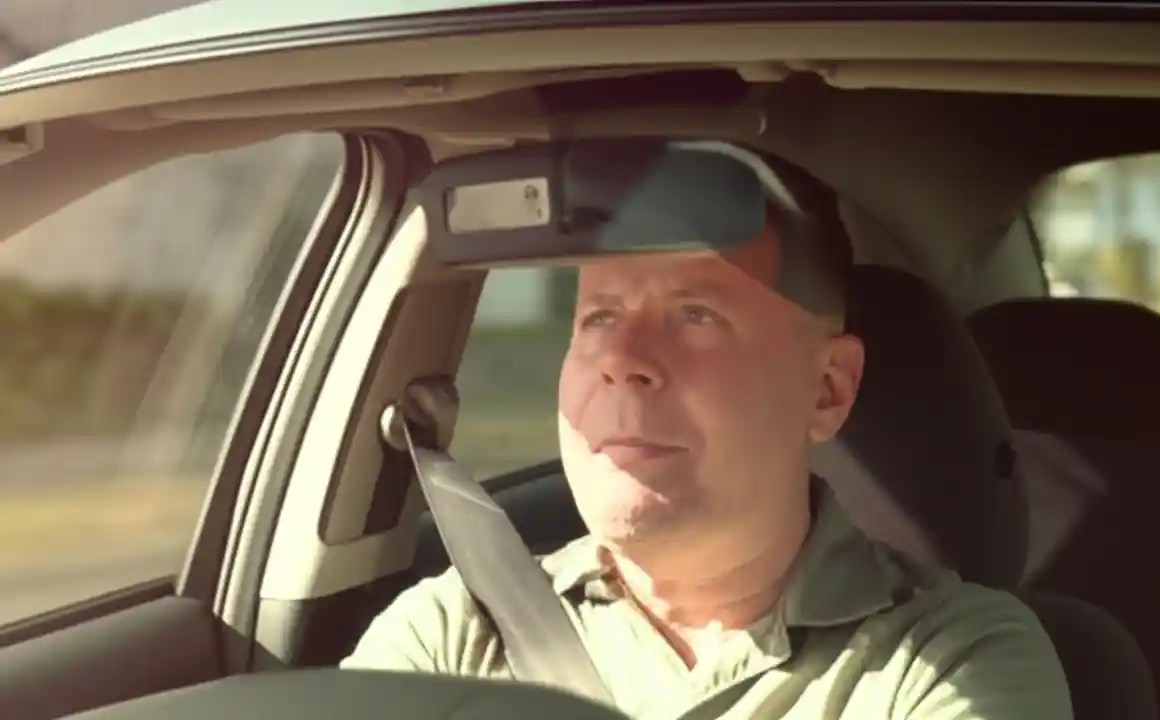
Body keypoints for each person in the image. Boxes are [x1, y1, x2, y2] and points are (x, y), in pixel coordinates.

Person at [341, 152, 1072, 719]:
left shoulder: (949, 660)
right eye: (598, 317)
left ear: (827, 390)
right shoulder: (453, 634)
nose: (623, 362)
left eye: (696, 315)